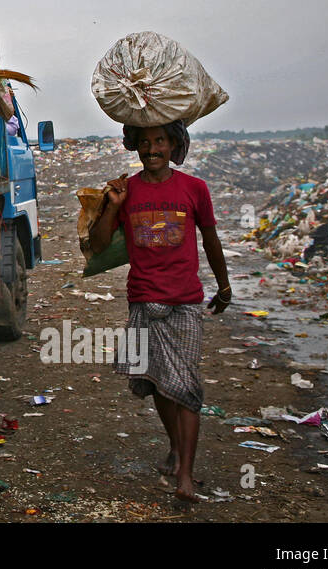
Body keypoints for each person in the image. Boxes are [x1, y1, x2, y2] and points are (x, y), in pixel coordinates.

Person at [87, 118, 231, 502]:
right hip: (143, 301)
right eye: (145, 142)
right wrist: (111, 207)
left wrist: (225, 285)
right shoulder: (125, 191)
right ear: (135, 146)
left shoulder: (194, 189)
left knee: (187, 388)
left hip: (185, 301)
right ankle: (175, 446)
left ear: (174, 145)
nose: (152, 149)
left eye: (160, 141)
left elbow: (212, 240)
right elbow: (99, 246)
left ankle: (185, 475)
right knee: (159, 385)